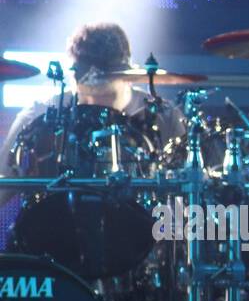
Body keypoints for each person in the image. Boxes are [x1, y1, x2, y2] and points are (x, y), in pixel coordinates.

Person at [0, 22, 185, 196]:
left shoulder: (164, 116)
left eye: (105, 97)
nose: (96, 108)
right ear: (74, 77)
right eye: (88, 97)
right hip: (58, 223)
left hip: (143, 224)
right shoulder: (41, 113)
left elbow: (191, 190)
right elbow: (4, 183)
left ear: (128, 75)